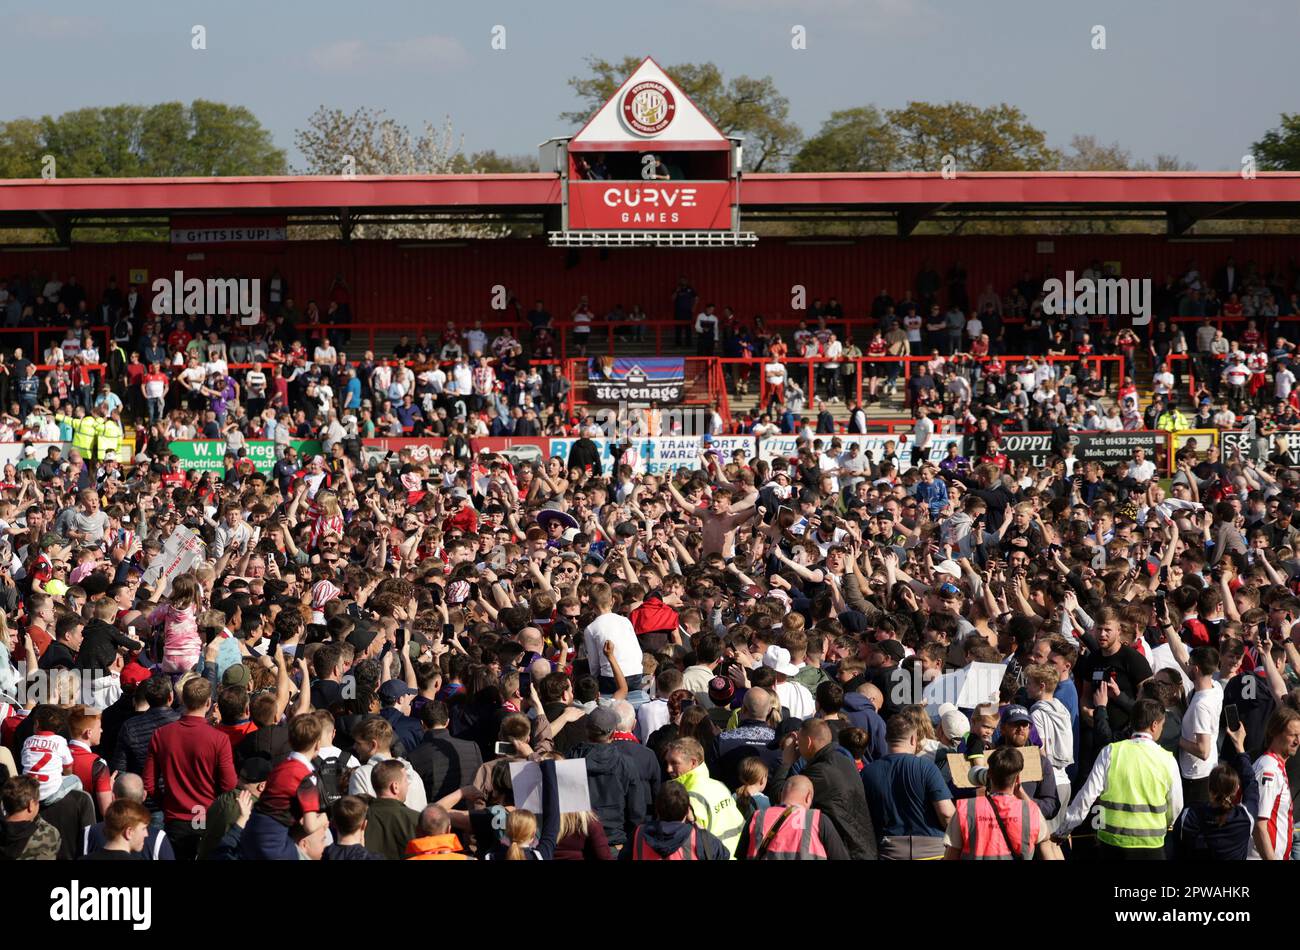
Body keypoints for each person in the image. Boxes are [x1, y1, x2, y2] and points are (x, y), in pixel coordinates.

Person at [1062, 699, 1183, 860]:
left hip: (1112, 843)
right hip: (1151, 844)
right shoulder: (1167, 759)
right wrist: (1166, 823)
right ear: (1154, 725)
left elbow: (1086, 796)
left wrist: (1064, 829)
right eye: (1162, 725)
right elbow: (1176, 805)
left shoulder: (1110, 752)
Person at [142, 677, 238, 861]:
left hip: (175, 818)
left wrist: (167, 802)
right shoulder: (219, 739)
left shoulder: (161, 735)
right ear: (209, 702)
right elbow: (229, 784)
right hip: (205, 815)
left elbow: (149, 783)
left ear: (182, 700)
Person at [770, 719, 878, 860]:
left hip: (847, 852)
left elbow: (781, 800)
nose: (797, 747)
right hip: (863, 848)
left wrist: (786, 762)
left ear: (808, 742)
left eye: (799, 742)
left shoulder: (820, 772)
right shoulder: (843, 761)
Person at [861, 714, 955, 859]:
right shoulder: (926, 767)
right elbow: (947, 814)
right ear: (913, 739)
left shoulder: (867, 772)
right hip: (932, 850)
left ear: (886, 739)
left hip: (890, 850)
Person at [943, 747, 1063, 860]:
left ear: (989, 774)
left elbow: (951, 856)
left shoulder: (965, 809)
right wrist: (1022, 793)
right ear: (1017, 779)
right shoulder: (1032, 812)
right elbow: (1047, 846)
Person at [622, 782, 730, 861]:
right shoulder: (699, 837)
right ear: (688, 811)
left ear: (657, 809)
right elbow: (724, 855)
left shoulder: (639, 834)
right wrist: (698, 827)